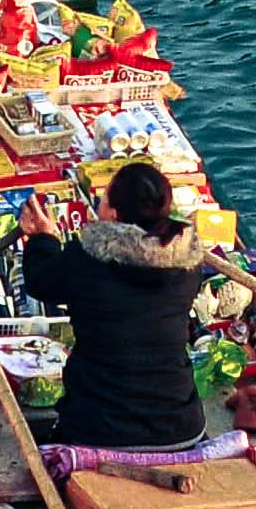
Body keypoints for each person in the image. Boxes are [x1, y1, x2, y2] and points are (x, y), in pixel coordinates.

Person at [18, 160, 211, 451]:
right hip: (181, 427)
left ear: (114, 214)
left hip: (98, 430)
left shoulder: (88, 259)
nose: (100, 203)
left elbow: (40, 282)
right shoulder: (188, 265)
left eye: (105, 198)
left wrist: (43, 239)